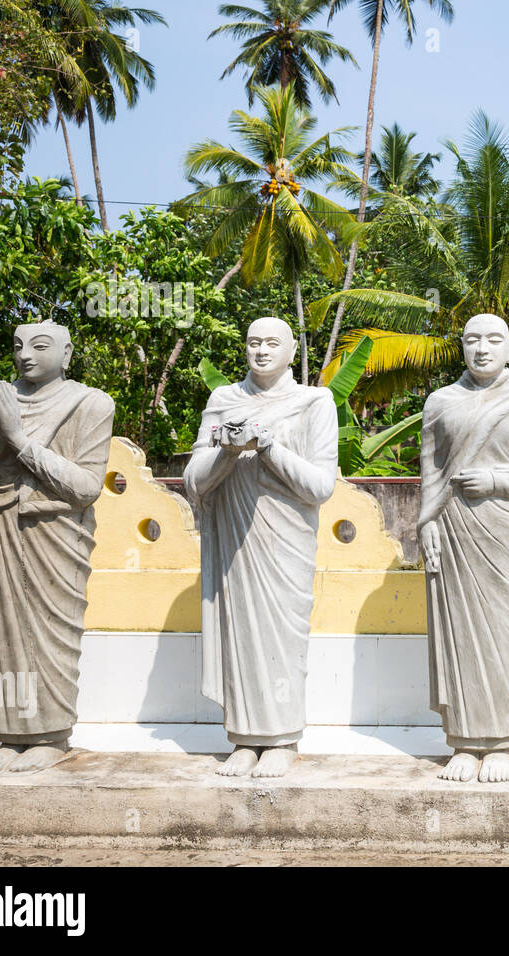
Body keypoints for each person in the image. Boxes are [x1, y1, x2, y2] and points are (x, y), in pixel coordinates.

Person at [0, 320, 114, 773]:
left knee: (49, 636)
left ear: (66, 354)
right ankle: (9, 734)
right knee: (3, 633)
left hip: (56, 540)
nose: (26, 355)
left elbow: (84, 487)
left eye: (41, 346)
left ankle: (50, 736)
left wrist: (19, 440)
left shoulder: (90, 402)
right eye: (18, 345)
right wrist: (0, 442)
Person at [184, 316, 337, 778]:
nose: (262, 351)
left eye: (273, 343)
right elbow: (193, 479)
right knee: (240, 634)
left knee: (281, 636)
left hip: (286, 540)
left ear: (293, 351)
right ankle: (245, 738)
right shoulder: (223, 400)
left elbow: (320, 486)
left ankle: (282, 738)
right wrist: (227, 452)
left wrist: (268, 447)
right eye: (253, 342)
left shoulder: (313, 401)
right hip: (234, 539)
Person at [419, 313, 509, 784]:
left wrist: (495, 479)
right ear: (461, 346)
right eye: (473, 339)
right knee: (457, 634)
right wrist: (425, 525)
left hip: (505, 533)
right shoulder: (441, 402)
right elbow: (431, 474)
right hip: (452, 528)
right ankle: (462, 741)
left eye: (494, 339)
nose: (482, 348)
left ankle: (499, 743)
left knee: (503, 637)